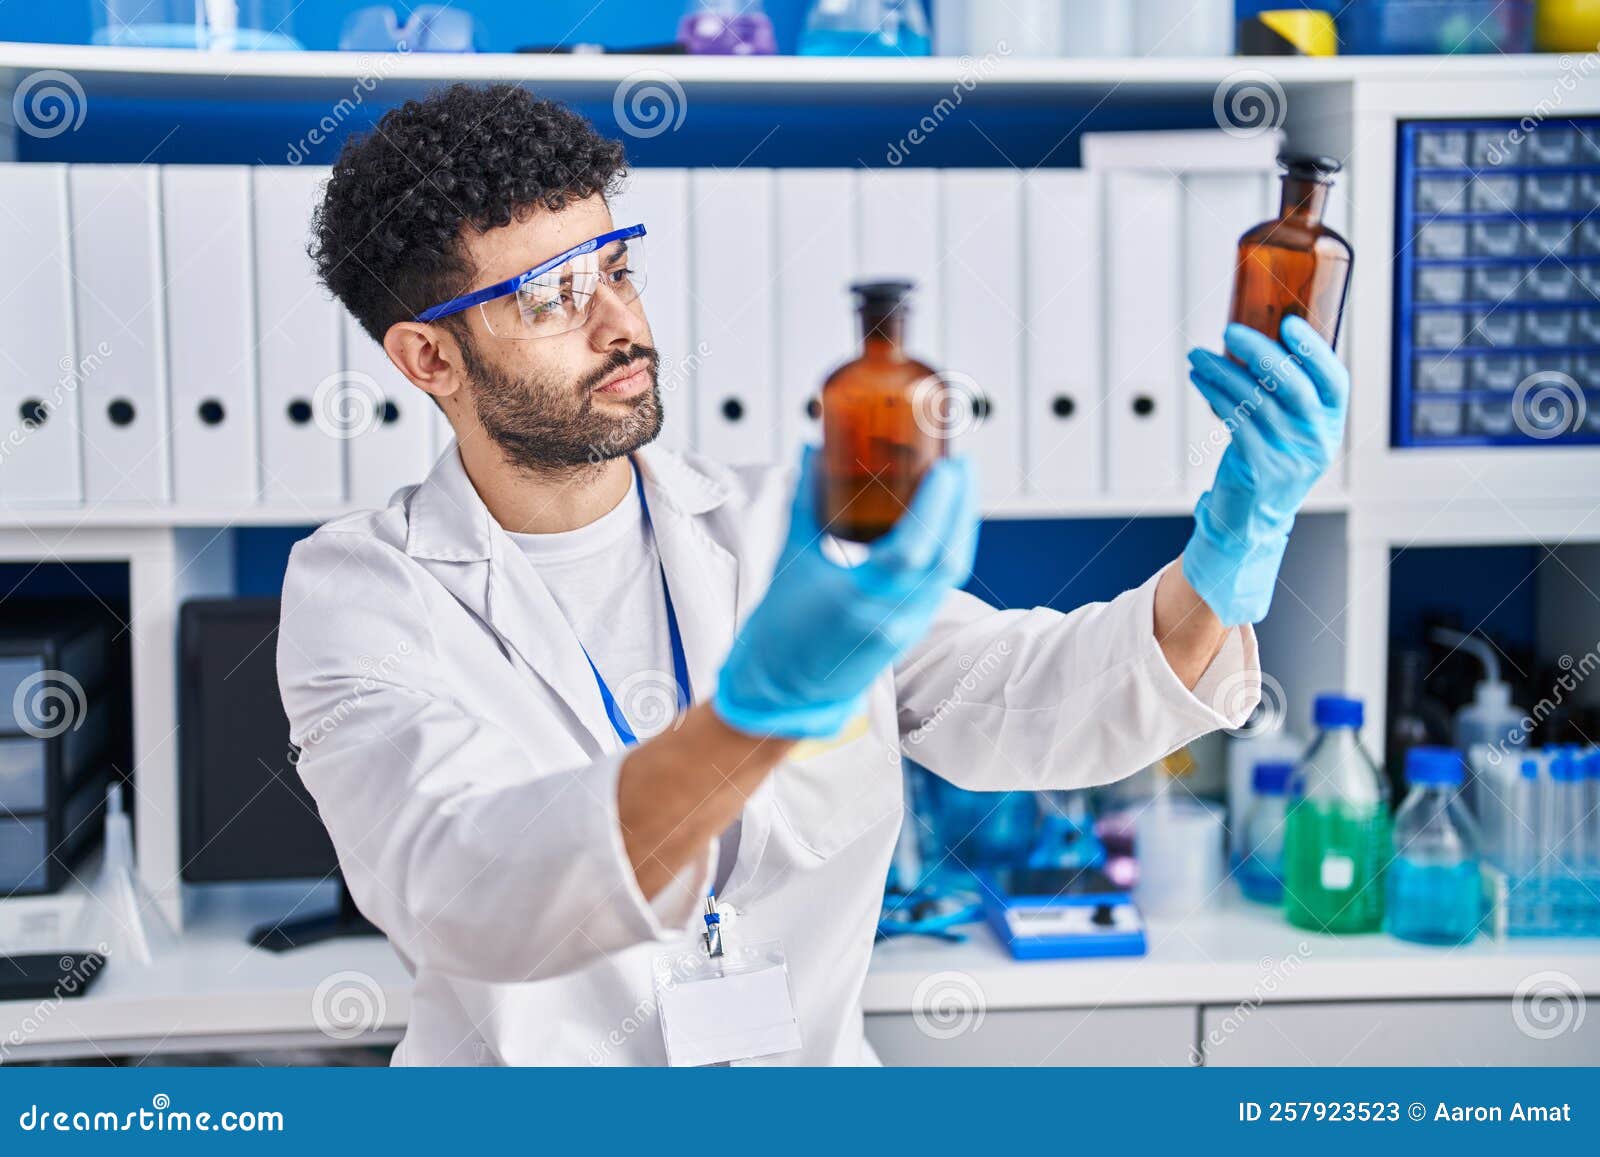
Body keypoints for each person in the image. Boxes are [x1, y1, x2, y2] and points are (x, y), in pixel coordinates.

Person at [277, 83, 1348, 1066]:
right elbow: (468, 889)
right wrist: (753, 718)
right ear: (428, 359)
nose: (621, 325)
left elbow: (1024, 700)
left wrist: (1239, 534)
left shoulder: (776, 526)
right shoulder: (363, 595)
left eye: (614, 267)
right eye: (552, 295)